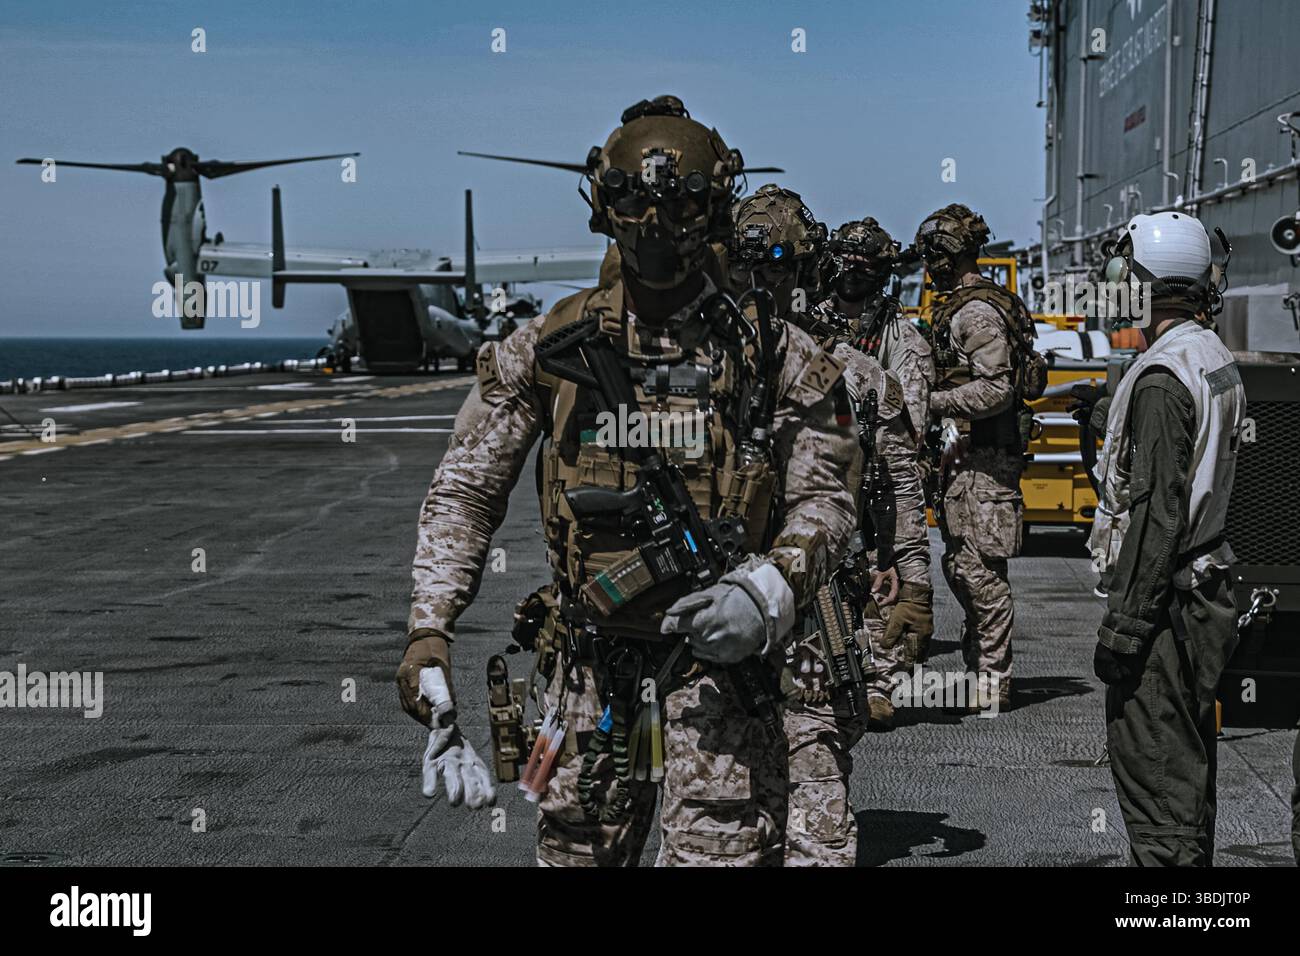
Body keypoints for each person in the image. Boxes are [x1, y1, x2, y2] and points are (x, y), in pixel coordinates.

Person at [396, 96, 859, 866]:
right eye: (634, 201)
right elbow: (468, 489)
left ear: (712, 213)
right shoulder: (549, 349)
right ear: (604, 207)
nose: (654, 225)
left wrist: (771, 589)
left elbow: (828, 497)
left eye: (677, 206)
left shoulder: (779, 355)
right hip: (590, 675)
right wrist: (429, 627)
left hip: (719, 683)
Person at [729, 184, 904, 864]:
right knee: (719, 803)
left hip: (812, 609)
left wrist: (910, 582)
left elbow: (896, 483)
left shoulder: (849, 375)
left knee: (815, 763)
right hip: (718, 611)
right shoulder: (695, 368)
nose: (763, 282)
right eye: (752, 268)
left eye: (776, 267)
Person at [1090, 211, 1246, 866]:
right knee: (1185, 772)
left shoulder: (1160, 378)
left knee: (1156, 779)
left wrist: (1124, 630)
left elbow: (1158, 515)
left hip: (1165, 607)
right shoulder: (1208, 355)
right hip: (1203, 584)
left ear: (1147, 280)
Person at [808, 218, 936, 727]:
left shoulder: (902, 340)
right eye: (846, 260)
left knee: (887, 568)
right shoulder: (806, 324)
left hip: (879, 467)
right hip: (820, 469)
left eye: (866, 265)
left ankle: (881, 681)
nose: (853, 272)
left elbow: (910, 430)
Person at [915, 204, 1039, 711]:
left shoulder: (975, 312)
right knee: (965, 567)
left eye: (934, 253)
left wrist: (927, 403)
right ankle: (981, 672)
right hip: (968, 462)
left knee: (979, 575)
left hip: (984, 464)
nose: (928, 262)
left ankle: (992, 680)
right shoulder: (961, 305)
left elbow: (996, 391)